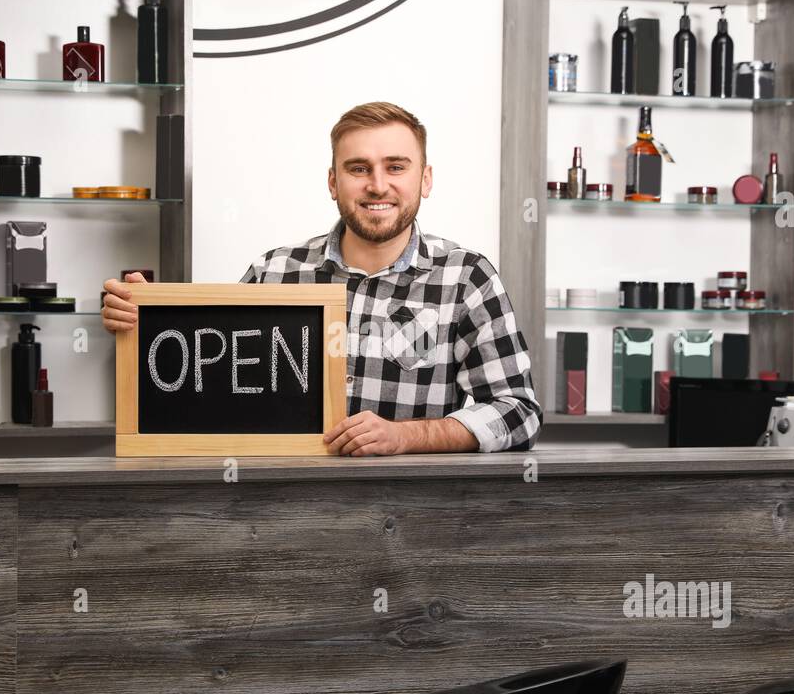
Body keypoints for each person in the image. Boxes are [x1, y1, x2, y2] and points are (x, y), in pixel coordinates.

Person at [102, 101, 541, 455]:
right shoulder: (274, 272)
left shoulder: (467, 278)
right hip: (280, 511)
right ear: (333, 182)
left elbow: (518, 412)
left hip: (412, 518)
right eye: (358, 168)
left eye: (396, 166)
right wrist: (149, 317)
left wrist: (406, 437)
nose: (377, 184)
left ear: (425, 179)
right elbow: (212, 389)